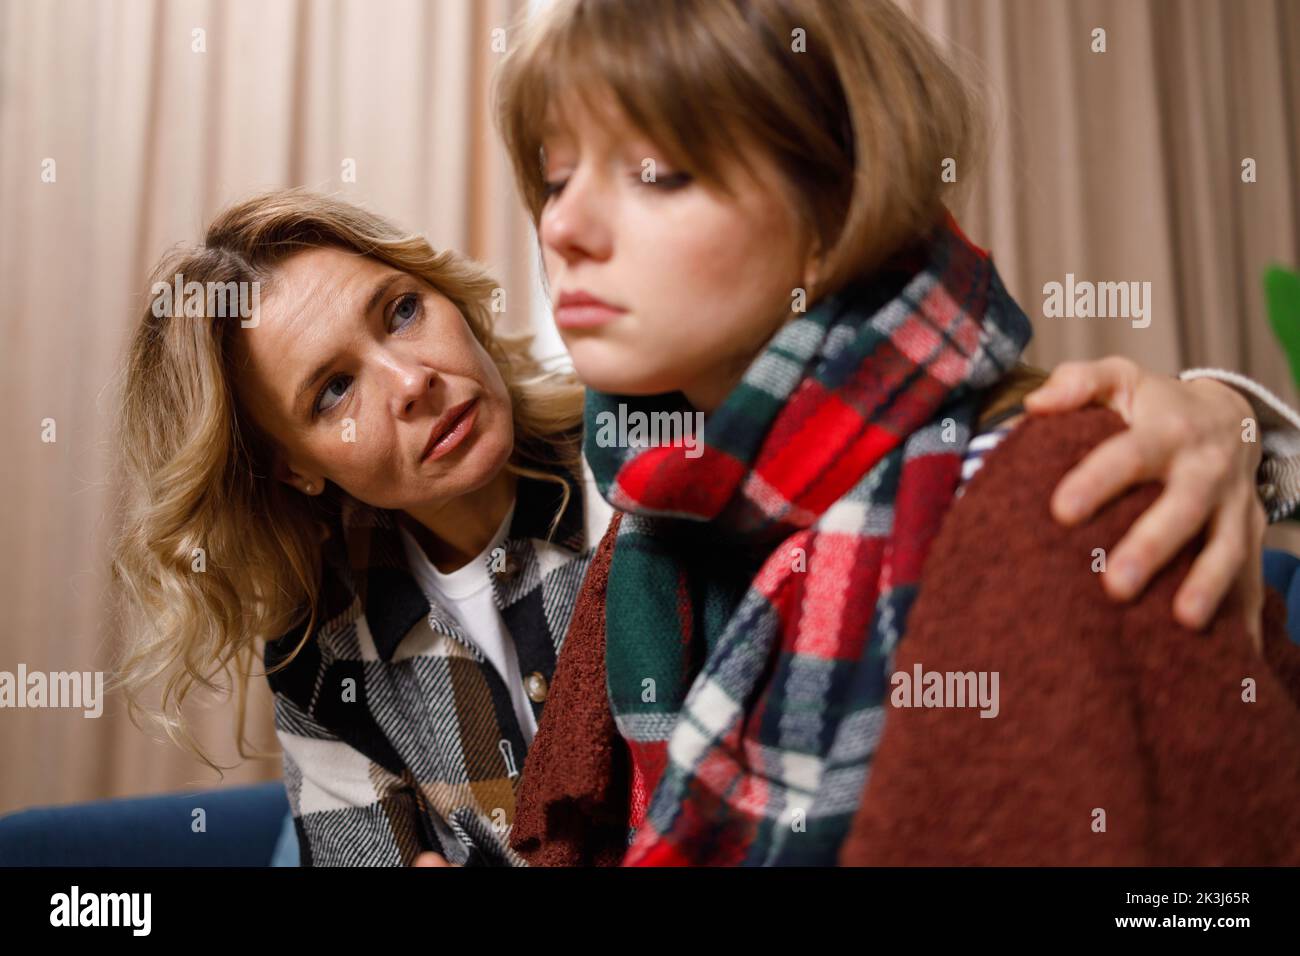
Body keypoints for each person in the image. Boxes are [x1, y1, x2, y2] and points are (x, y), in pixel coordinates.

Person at [492, 0, 1300, 865]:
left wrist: (1243, 418)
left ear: (833, 215)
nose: (562, 228)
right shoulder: (650, 534)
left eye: (654, 173)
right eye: (553, 176)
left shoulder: (1057, 492)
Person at [109, 189, 608, 866]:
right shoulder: (320, 654)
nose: (411, 381)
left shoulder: (635, 472)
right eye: (333, 390)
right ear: (294, 470)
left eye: (402, 311)